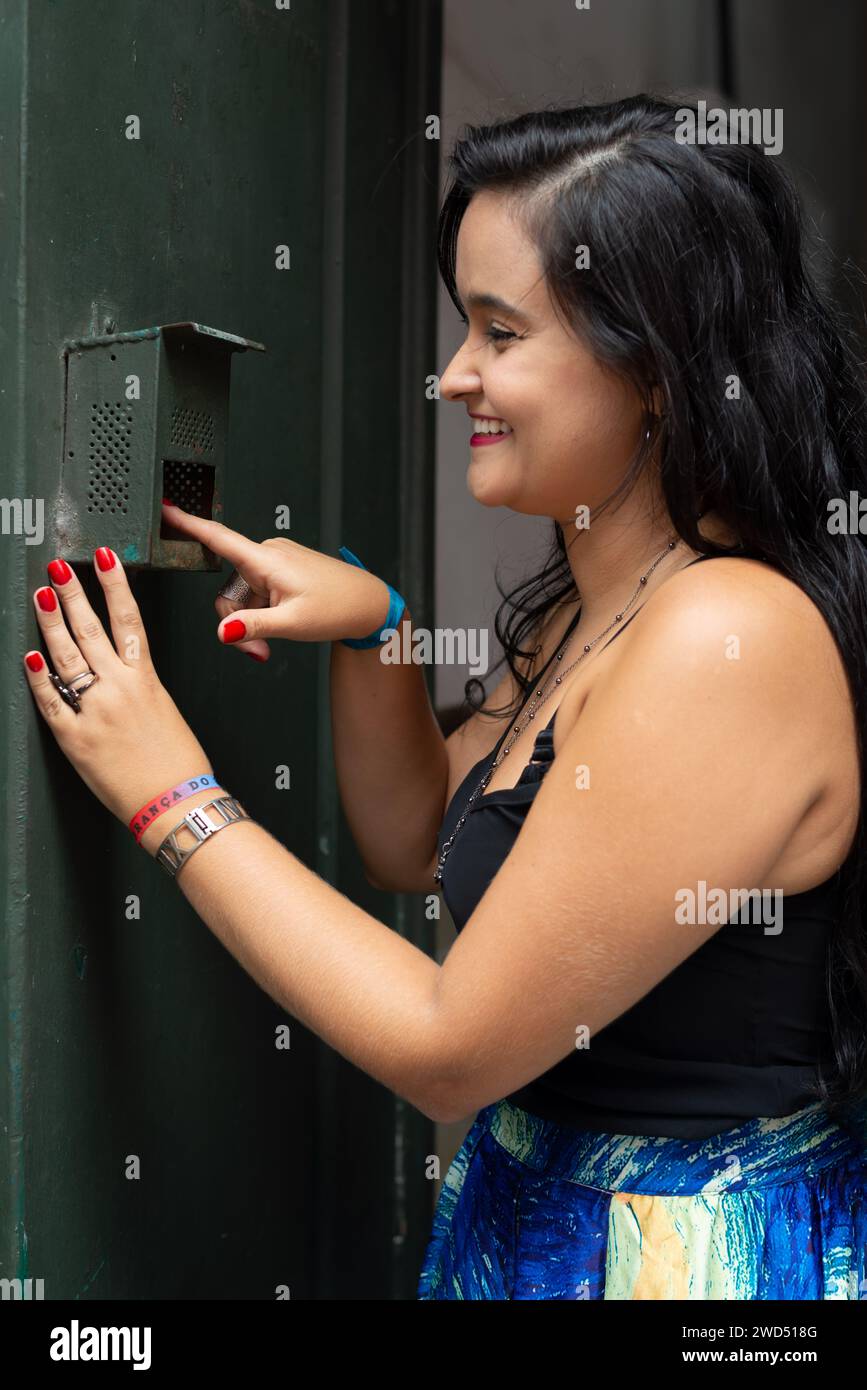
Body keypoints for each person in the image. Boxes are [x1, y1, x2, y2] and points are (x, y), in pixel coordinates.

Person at [23, 94, 867, 1300]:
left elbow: (448, 1044)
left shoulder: (725, 637)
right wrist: (380, 629)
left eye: (500, 332)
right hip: (538, 1231)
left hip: (684, 1271)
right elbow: (418, 836)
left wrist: (169, 790)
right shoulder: (601, 602)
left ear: (658, 369)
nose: (453, 374)